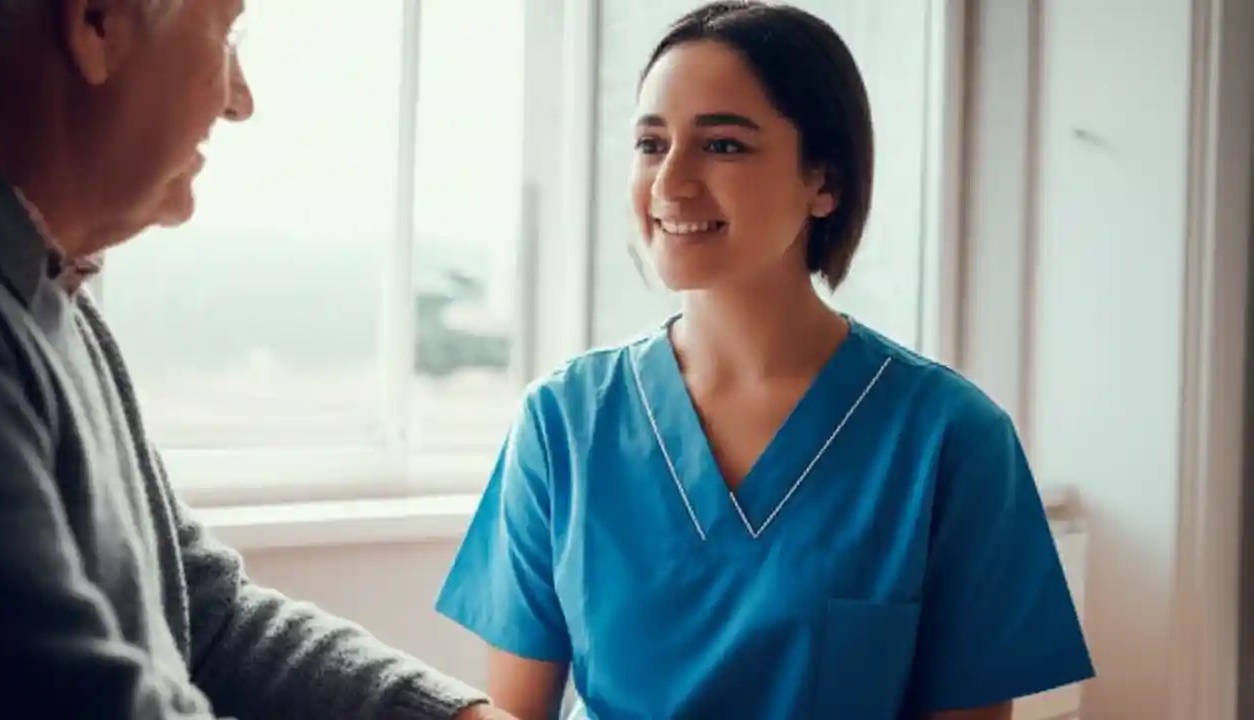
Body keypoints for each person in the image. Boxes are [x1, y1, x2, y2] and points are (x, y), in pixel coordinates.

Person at [434, 2, 1095, 718]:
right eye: (652, 143)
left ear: (825, 183)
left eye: (722, 146)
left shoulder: (950, 439)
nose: (670, 182)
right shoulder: (563, 422)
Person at [0, 1, 514, 718]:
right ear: (95, 24)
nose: (241, 99)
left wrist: (459, 716)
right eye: (224, 33)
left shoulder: (61, 303)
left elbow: (208, 620)